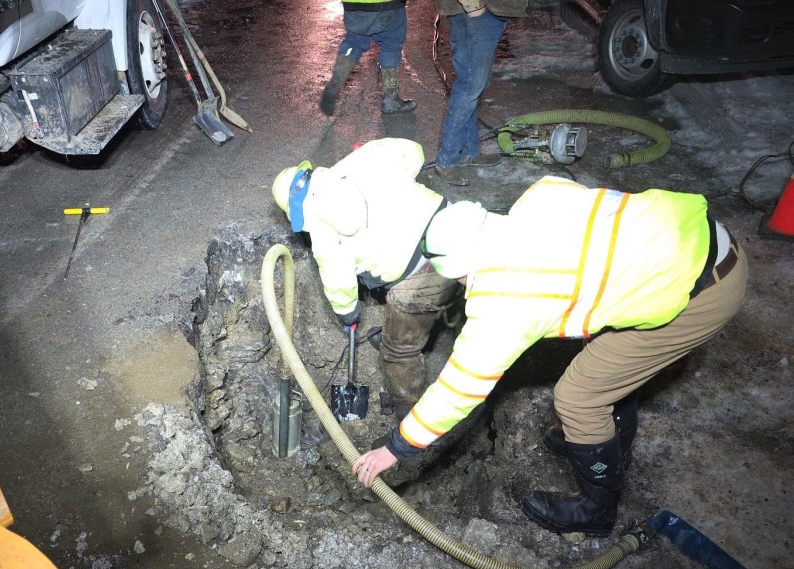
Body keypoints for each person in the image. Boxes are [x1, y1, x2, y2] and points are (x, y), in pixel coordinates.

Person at [351, 175, 748, 537]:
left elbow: (460, 389)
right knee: (603, 359)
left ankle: (596, 508)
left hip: (701, 293)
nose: (459, 284)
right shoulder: (539, 196)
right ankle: (607, 443)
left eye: (457, 277)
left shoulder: (506, 299)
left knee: (579, 396)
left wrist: (394, 448)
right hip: (700, 239)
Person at [272, 138, 464, 419]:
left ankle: (411, 426)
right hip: (455, 226)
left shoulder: (320, 227)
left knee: (399, 351)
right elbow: (413, 153)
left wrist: (348, 313)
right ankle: (446, 325)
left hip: (420, 272)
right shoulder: (359, 160)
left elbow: (337, 278)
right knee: (459, 296)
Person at [433, 0, 529, 186]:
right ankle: (447, 159)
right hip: (476, 11)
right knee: (470, 86)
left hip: (477, 10)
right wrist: (473, 5)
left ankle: (469, 151)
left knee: (473, 85)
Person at [320, 0, 416, 116]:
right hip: (389, 5)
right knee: (391, 44)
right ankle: (391, 99)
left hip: (353, 6)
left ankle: (337, 79)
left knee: (354, 41)